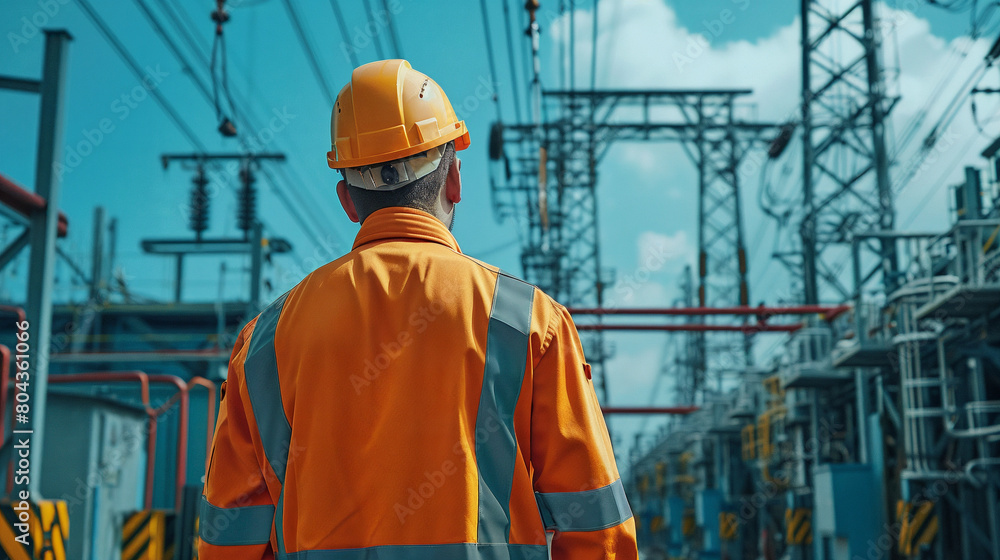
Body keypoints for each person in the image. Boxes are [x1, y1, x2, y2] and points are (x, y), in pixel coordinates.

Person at [198, 59, 638, 560]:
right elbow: (597, 529)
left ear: (347, 199)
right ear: (454, 180)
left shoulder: (263, 341)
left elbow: (228, 538)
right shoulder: (528, 319)